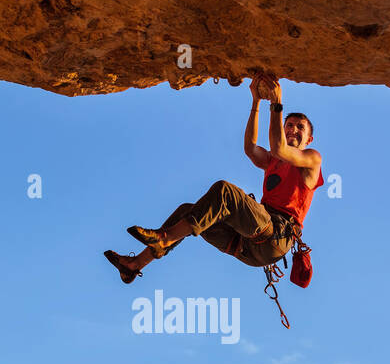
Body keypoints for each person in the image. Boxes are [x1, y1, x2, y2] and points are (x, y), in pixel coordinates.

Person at [104, 75, 323, 283]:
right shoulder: (273, 160)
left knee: (225, 192)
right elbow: (250, 148)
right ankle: (135, 265)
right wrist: (255, 101)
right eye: (289, 126)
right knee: (186, 211)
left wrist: (276, 103)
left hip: (275, 235)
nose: (293, 129)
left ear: (309, 138)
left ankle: (164, 238)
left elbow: (279, 147)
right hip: (247, 244)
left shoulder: (312, 159)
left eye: (299, 127)